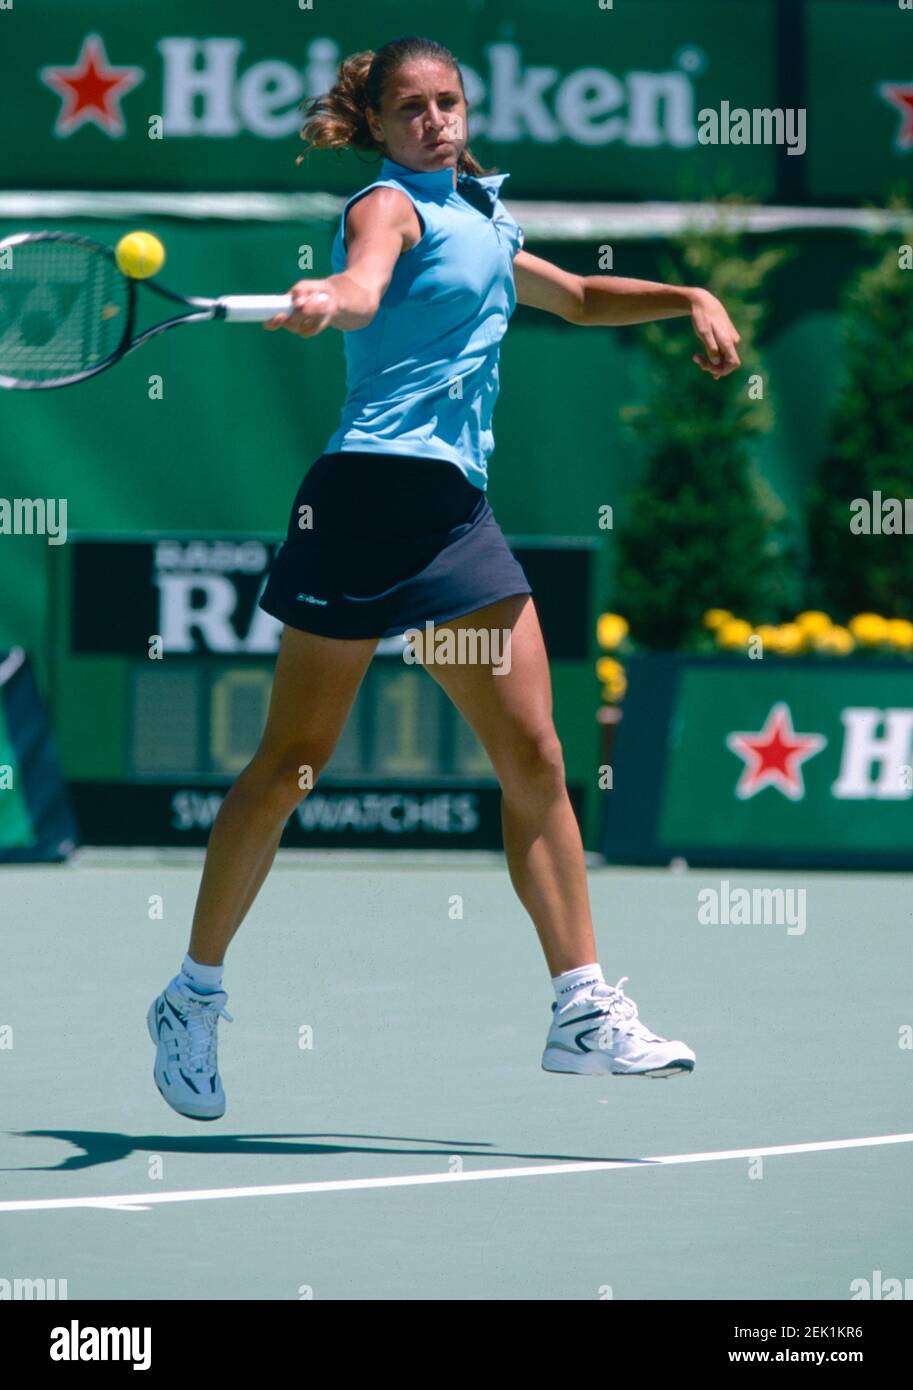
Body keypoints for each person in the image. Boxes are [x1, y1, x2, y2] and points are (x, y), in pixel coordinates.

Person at [147, 35, 741, 1120]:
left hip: (456, 519)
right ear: (376, 125)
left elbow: (571, 297)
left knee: (537, 755)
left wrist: (687, 294)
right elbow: (367, 285)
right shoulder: (387, 206)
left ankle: (580, 1006)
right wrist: (331, 296)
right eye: (411, 108)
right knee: (291, 763)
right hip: (364, 502)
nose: (433, 120)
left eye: (447, 102)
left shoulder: (483, 220)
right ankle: (191, 993)